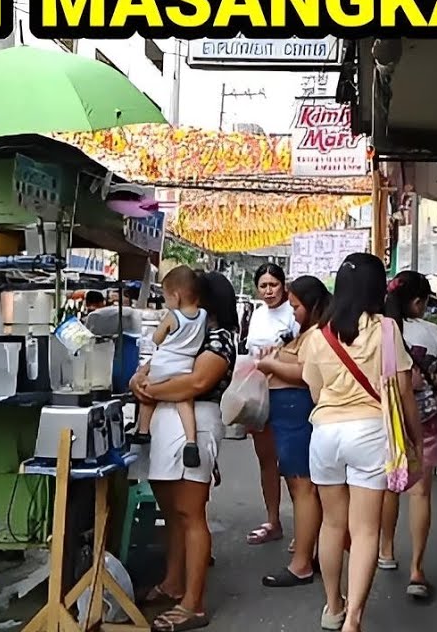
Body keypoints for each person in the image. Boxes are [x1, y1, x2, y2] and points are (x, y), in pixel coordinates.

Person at [299, 253, 422, 632]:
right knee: (366, 529)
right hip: (369, 432)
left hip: (324, 435)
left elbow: (315, 390)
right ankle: (354, 620)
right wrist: (414, 438)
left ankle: (332, 606)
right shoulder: (386, 329)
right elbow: (403, 393)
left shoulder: (319, 335)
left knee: (333, 525)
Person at [130, 271, 239, 632]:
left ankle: (194, 603)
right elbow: (149, 367)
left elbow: (198, 382)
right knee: (172, 512)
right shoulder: (185, 331)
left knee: (191, 514)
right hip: (163, 422)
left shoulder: (221, 339)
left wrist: (152, 389)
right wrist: (139, 382)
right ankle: (173, 581)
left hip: (196, 423)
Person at [379, 271, 437, 600]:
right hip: (424, 422)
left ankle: (385, 551)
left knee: (388, 488)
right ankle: (416, 569)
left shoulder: (379, 330)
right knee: (420, 493)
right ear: (417, 302)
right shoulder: (432, 333)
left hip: (385, 421)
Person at [256, 275, 331, 588]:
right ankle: (308, 553)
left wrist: (271, 366)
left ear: (312, 306)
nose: (293, 311)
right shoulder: (309, 333)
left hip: (296, 414)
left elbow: (306, 374)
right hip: (289, 415)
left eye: (297, 305)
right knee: (303, 488)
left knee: (303, 489)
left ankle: (301, 562)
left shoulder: (316, 334)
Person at [242, 263, 300, 547]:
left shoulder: (294, 313)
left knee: (290, 462)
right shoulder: (257, 314)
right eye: (263, 286)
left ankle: (304, 527)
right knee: (266, 460)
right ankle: (272, 520)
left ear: (283, 285)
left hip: (286, 394)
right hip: (258, 393)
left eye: (273, 285)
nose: (268, 291)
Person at [131, 266, 209, 468]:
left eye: (166, 297)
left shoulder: (173, 316)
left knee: (149, 395)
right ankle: (191, 441)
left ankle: (143, 431)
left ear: (176, 296)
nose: (166, 302)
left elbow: (157, 338)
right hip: (186, 365)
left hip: (163, 363)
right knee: (184, 401)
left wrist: (162, 331)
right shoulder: (203, 316)